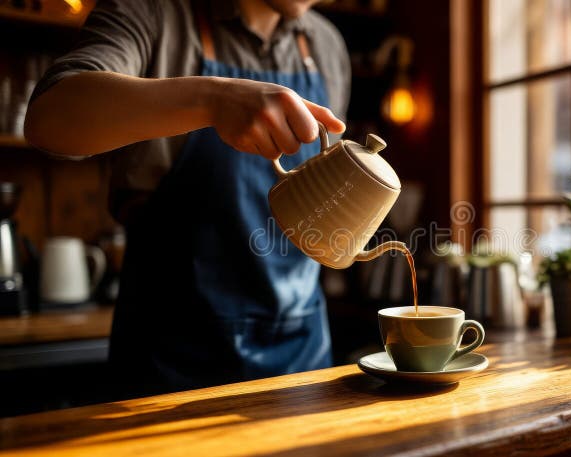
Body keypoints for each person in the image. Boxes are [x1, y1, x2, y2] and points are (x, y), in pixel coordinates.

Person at [24, 0, 350, 396]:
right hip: (171, 365)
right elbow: (48, 120)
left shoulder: (327, 46)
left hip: (301, 364)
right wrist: (211, 100)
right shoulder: (150, 13)